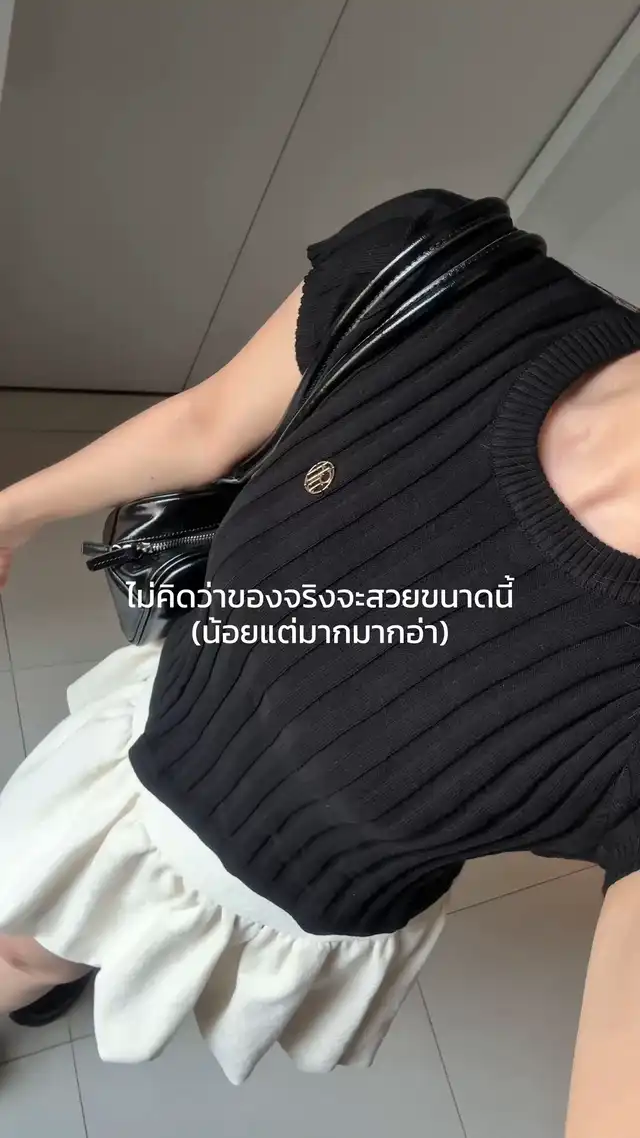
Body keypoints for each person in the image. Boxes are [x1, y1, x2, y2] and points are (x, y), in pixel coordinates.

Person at [1, 186, 640, 1136]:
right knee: (25, 943)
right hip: (152, 735)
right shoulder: (439, 274)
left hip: (264, 893)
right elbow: (206, 426)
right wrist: (10, 513)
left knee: (39, 949)